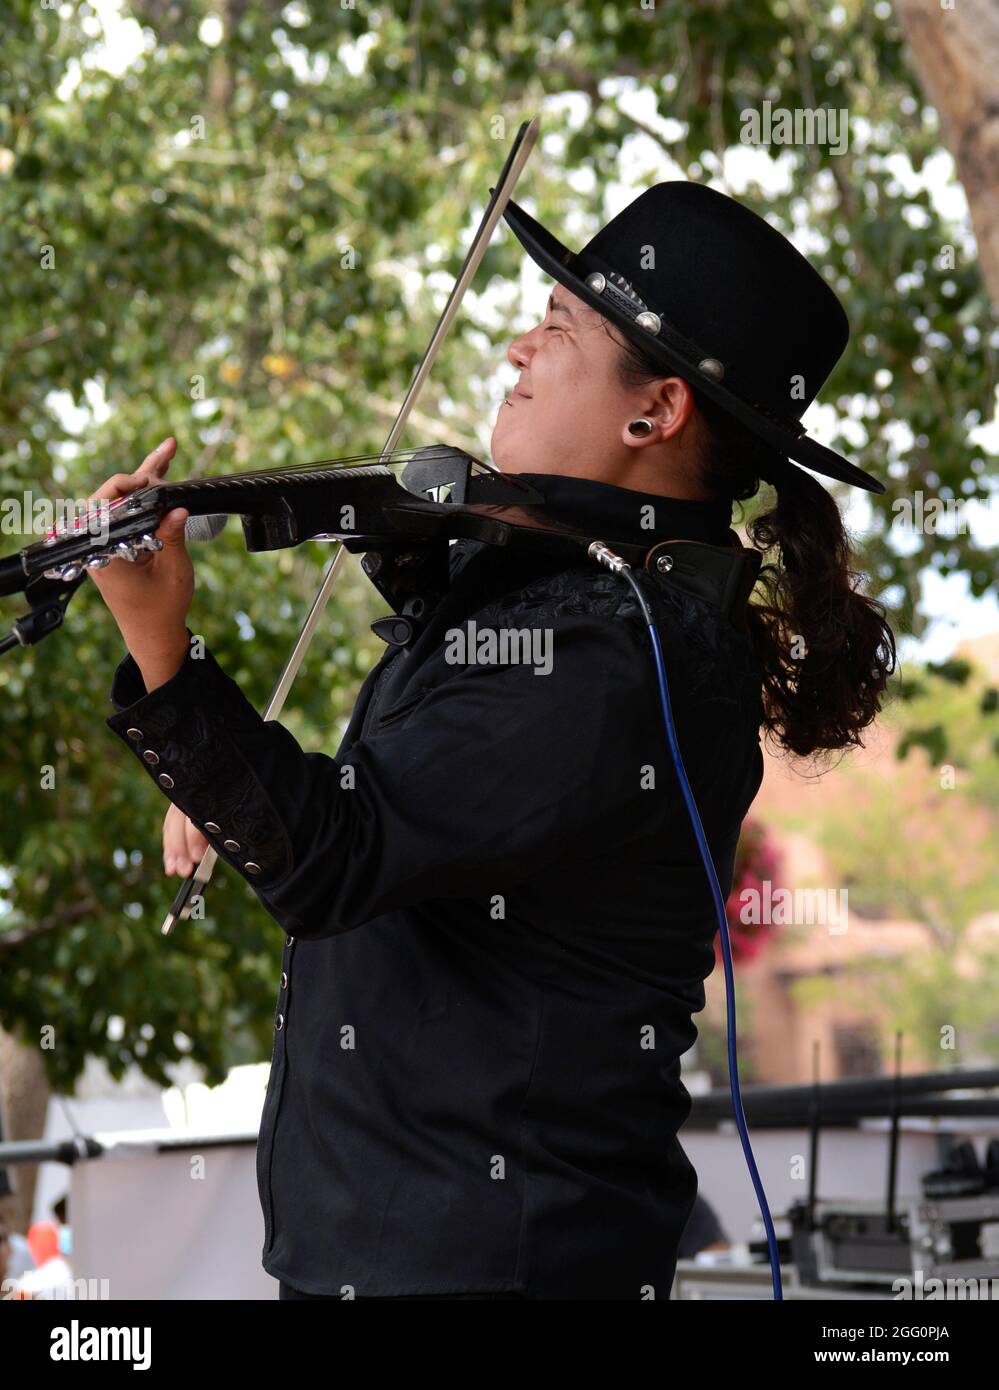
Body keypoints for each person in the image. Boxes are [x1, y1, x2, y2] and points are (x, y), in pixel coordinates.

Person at [88, 181, 895, 1300]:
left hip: (487, 1267)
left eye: (559, 330)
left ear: (653, 413)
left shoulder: (612, 649)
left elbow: (337, 855)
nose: (517, 346)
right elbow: (397, 824)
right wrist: (239, 780)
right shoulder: (563, 605)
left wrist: (165, 655)